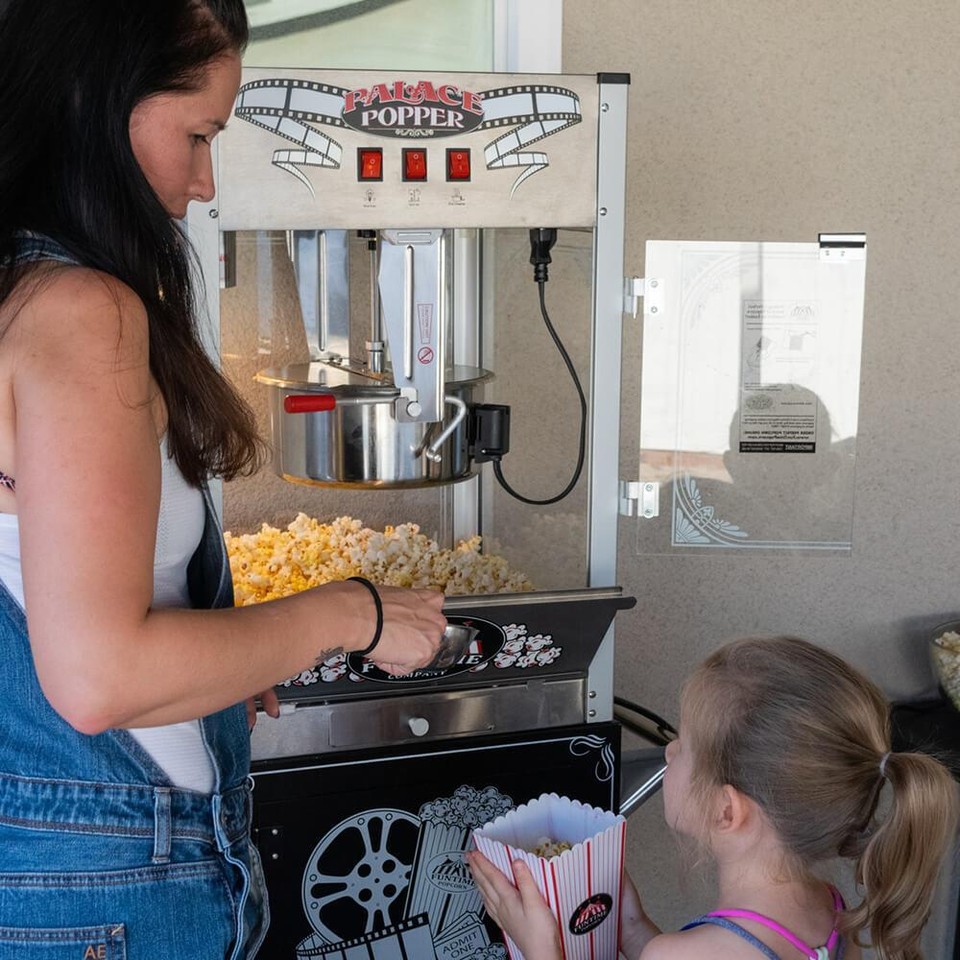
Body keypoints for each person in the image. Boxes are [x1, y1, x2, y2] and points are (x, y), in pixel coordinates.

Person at [0, 1, 446, 957]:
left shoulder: (21, 288)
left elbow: (54, 610)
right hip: (111, 881)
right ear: (96, 100)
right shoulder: (82, 313)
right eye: (198, 135)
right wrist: (349, 612)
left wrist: (222, 663)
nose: (204, 184)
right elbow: (99, 677)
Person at [467, 636, 959, 960]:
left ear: (727, 810)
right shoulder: (828, 911)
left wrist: (540, 948)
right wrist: (631, 924)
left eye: (685, 745)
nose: (670, 750)